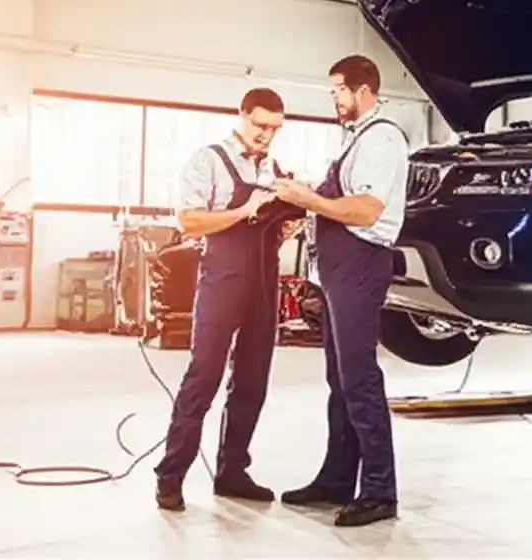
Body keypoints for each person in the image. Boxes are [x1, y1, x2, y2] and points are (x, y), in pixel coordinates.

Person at [271, 54, 409, 527]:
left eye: (338, 90)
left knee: (360, 379)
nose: (334, 98)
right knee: (339, 381)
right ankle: (336, 479)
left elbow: (368, 210)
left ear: (362, 90)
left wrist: (306, 198)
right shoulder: (353, 140)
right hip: (336, 270)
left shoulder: (383, 137)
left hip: (361, 266)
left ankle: (379, 491)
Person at [154, 87, 298, 512]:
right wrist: (244, 212)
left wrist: (283, 223)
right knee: (204, 376)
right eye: (259, 126)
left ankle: (232, 471)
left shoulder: (274, 167)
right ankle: (171, 475)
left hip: (264, 280)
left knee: (253, 380)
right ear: (241, 116)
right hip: (222, 279)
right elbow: (190, 221)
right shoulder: (208, 161)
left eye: (274, 129)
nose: (266, 136)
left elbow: (269, 217)